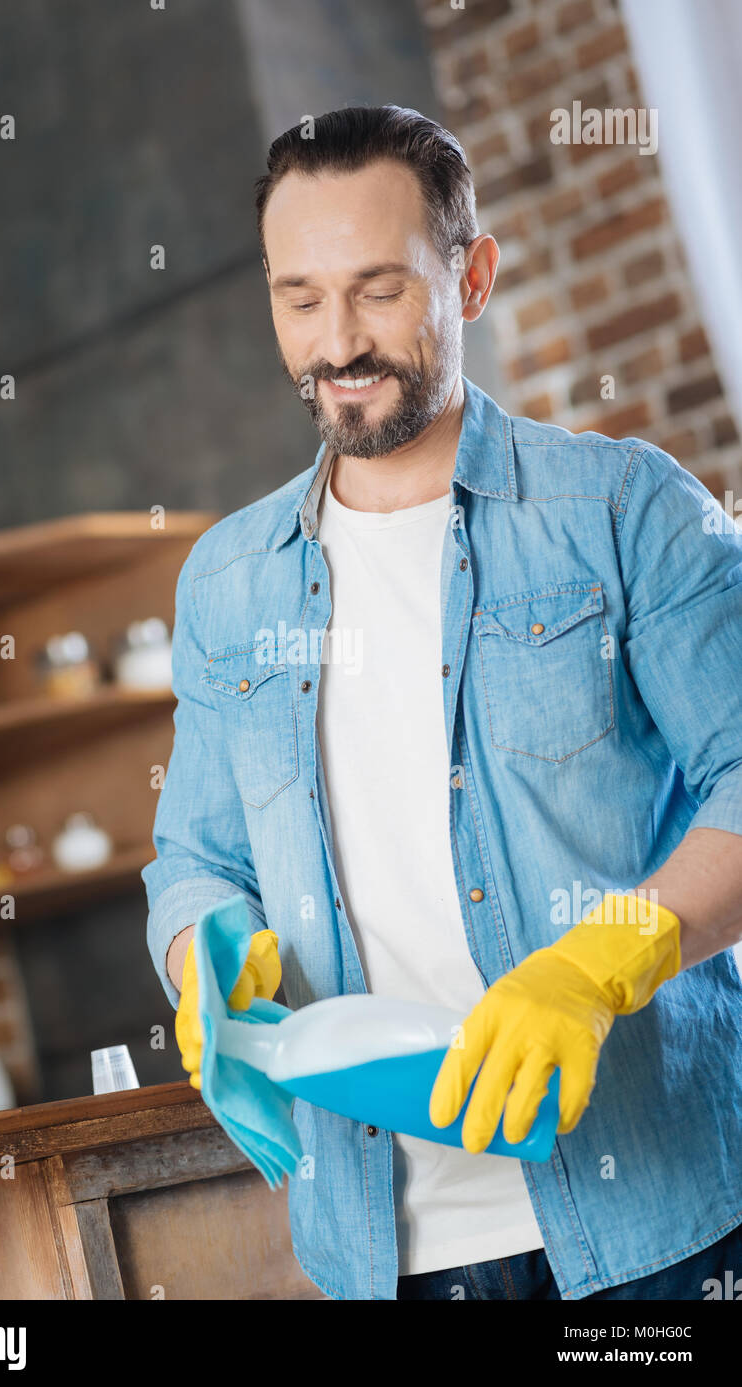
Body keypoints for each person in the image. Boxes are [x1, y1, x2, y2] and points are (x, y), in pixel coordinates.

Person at [142, 105, 742, 1301]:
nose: (337, 342)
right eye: (300, 298)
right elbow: (194, 856)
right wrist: (198, 955)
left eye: (376, 290)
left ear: (470, 277)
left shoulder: (624, 511)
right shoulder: (226, 580)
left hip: (666, 1224)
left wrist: (599, 963)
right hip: (387, 1251)